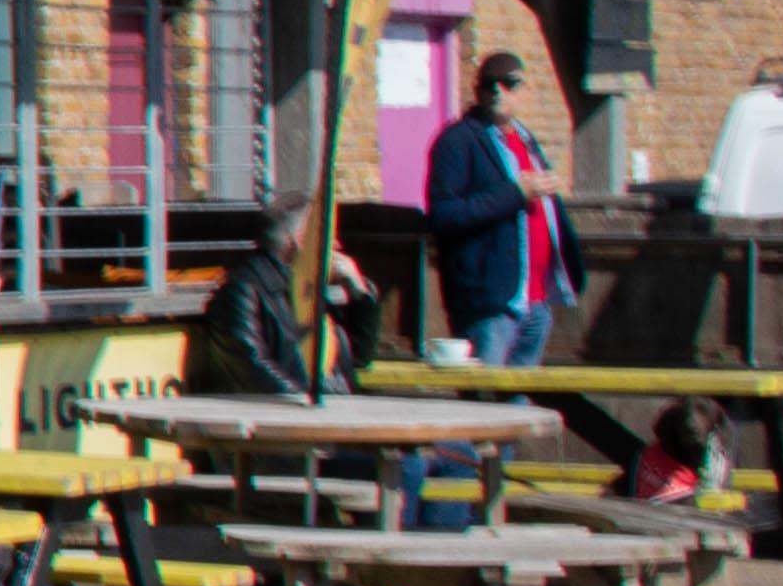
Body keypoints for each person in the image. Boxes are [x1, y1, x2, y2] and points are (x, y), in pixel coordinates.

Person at [418, 54, 572, 370]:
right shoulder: (457, 141)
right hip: (490, 304)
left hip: (536, 301)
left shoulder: (525, 140)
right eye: (489, 84)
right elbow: (445, 215)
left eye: (509, 83)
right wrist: (516, 193)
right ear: (478, 91)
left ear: (524, 90)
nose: (498, 91)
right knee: (487, 405)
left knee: (520, 410)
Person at [185, 202, 381, 405]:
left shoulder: (307, 289)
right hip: (291, 423)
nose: (337, 246)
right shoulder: (243, 292)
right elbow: (253, 372)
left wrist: (360, 292)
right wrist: (308, 406)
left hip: (334, 417)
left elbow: (359, 356)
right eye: (328, 238)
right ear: (299, 241)